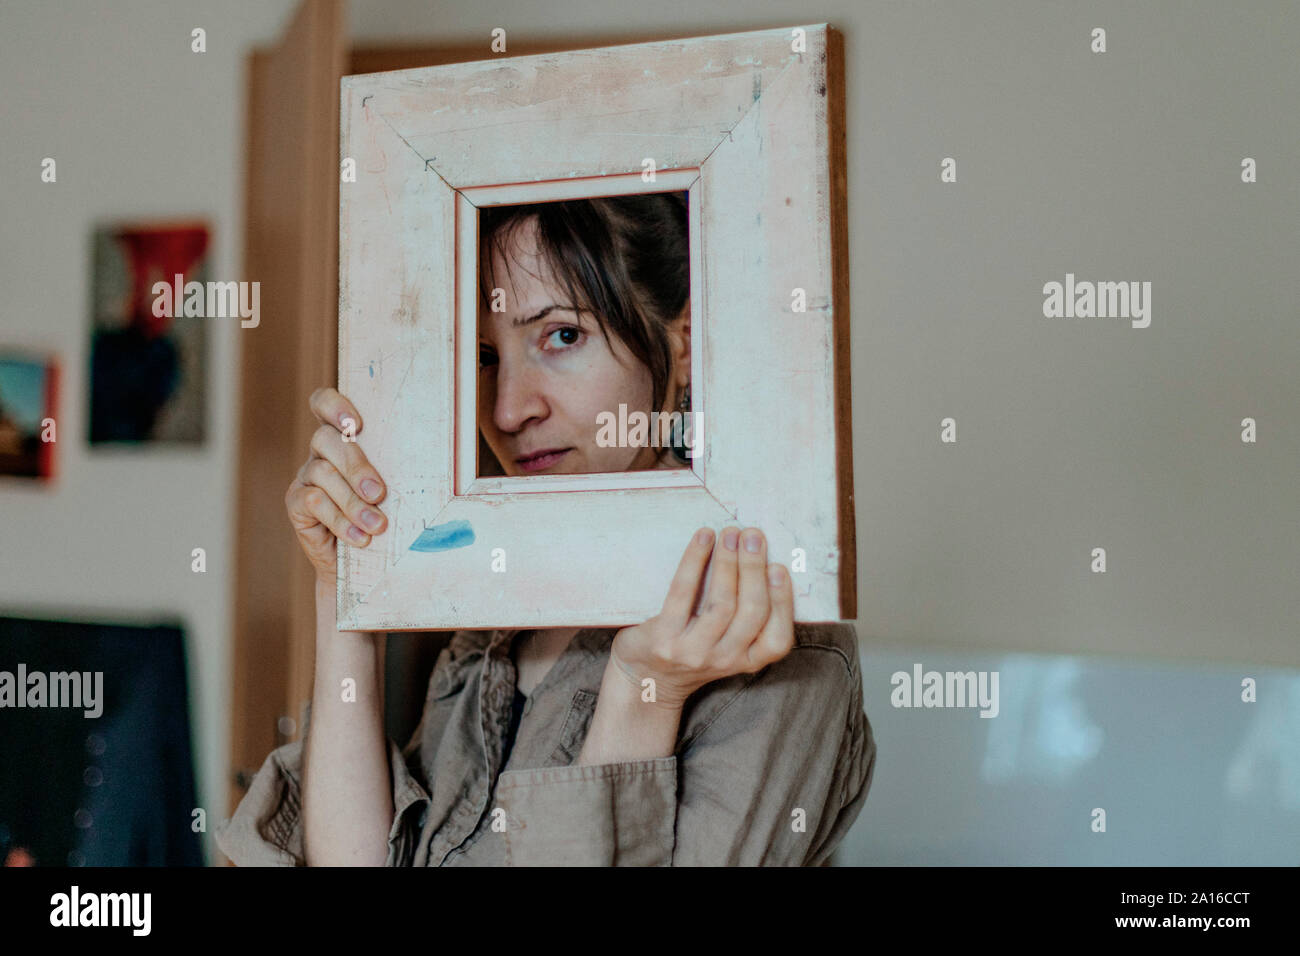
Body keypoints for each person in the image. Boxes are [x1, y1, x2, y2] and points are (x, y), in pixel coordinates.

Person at [216, 194, 876, 866]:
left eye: (561, 335)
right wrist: (343, 587)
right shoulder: (495, 616)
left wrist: (642, 694)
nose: (506, 410)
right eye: (483, 353)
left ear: (681, 345)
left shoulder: (772, 637)